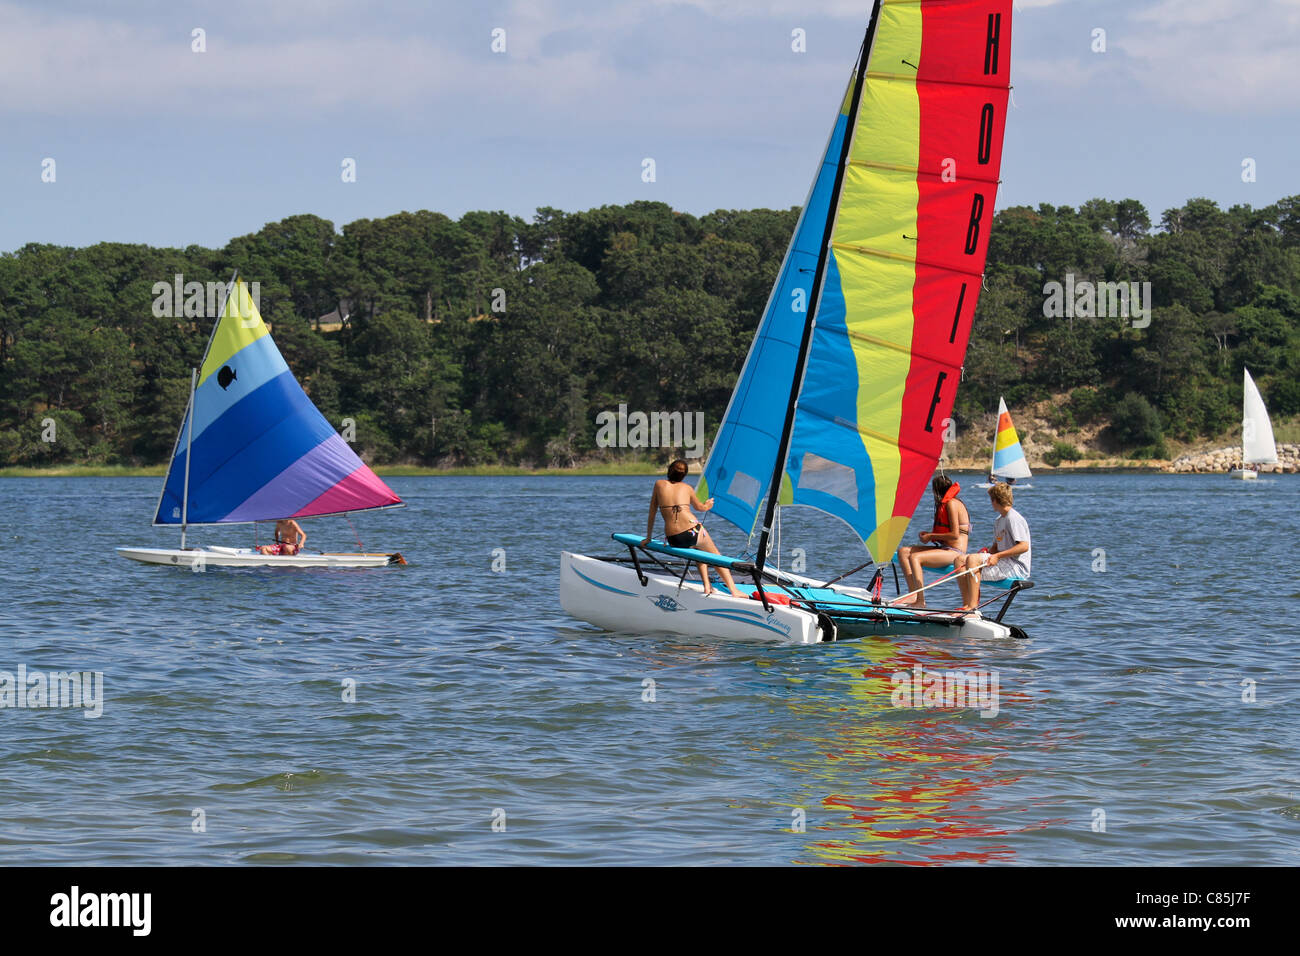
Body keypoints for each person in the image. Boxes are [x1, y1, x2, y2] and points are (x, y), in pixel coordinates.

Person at [643, 459, 745, 597]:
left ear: (669, 470)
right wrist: (708, 504)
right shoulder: (687, 488)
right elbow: (700, 508)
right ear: (684, 475)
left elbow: (652, 512)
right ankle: (734, 590)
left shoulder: (659, 484)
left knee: (699, 551)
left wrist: (648, 537)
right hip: (692, 531)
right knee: (715, 555)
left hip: (674, 538)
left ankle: (707, 587)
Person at [893, 475, 970, 608]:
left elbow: (955, 535)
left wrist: (930, 536)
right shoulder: (946, 503)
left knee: (915, 557)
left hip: (955, 552)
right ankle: (913, 595)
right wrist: (930, 535)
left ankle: (920, 601)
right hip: (944, 548)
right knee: (903, 552)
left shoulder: (951, 504)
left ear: (936, 490)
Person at [953, 482, 1030, 613]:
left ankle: (972, 607)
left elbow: (1024, 546)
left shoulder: (1013, 518)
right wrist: (988, 553)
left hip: (1016, 567)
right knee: (960, 560)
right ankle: (967, 603)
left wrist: (997, 556)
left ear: (995, 500)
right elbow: (996, 546)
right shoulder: (999, 520)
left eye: (991, 500)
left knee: (972, 560)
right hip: (1003, 562)